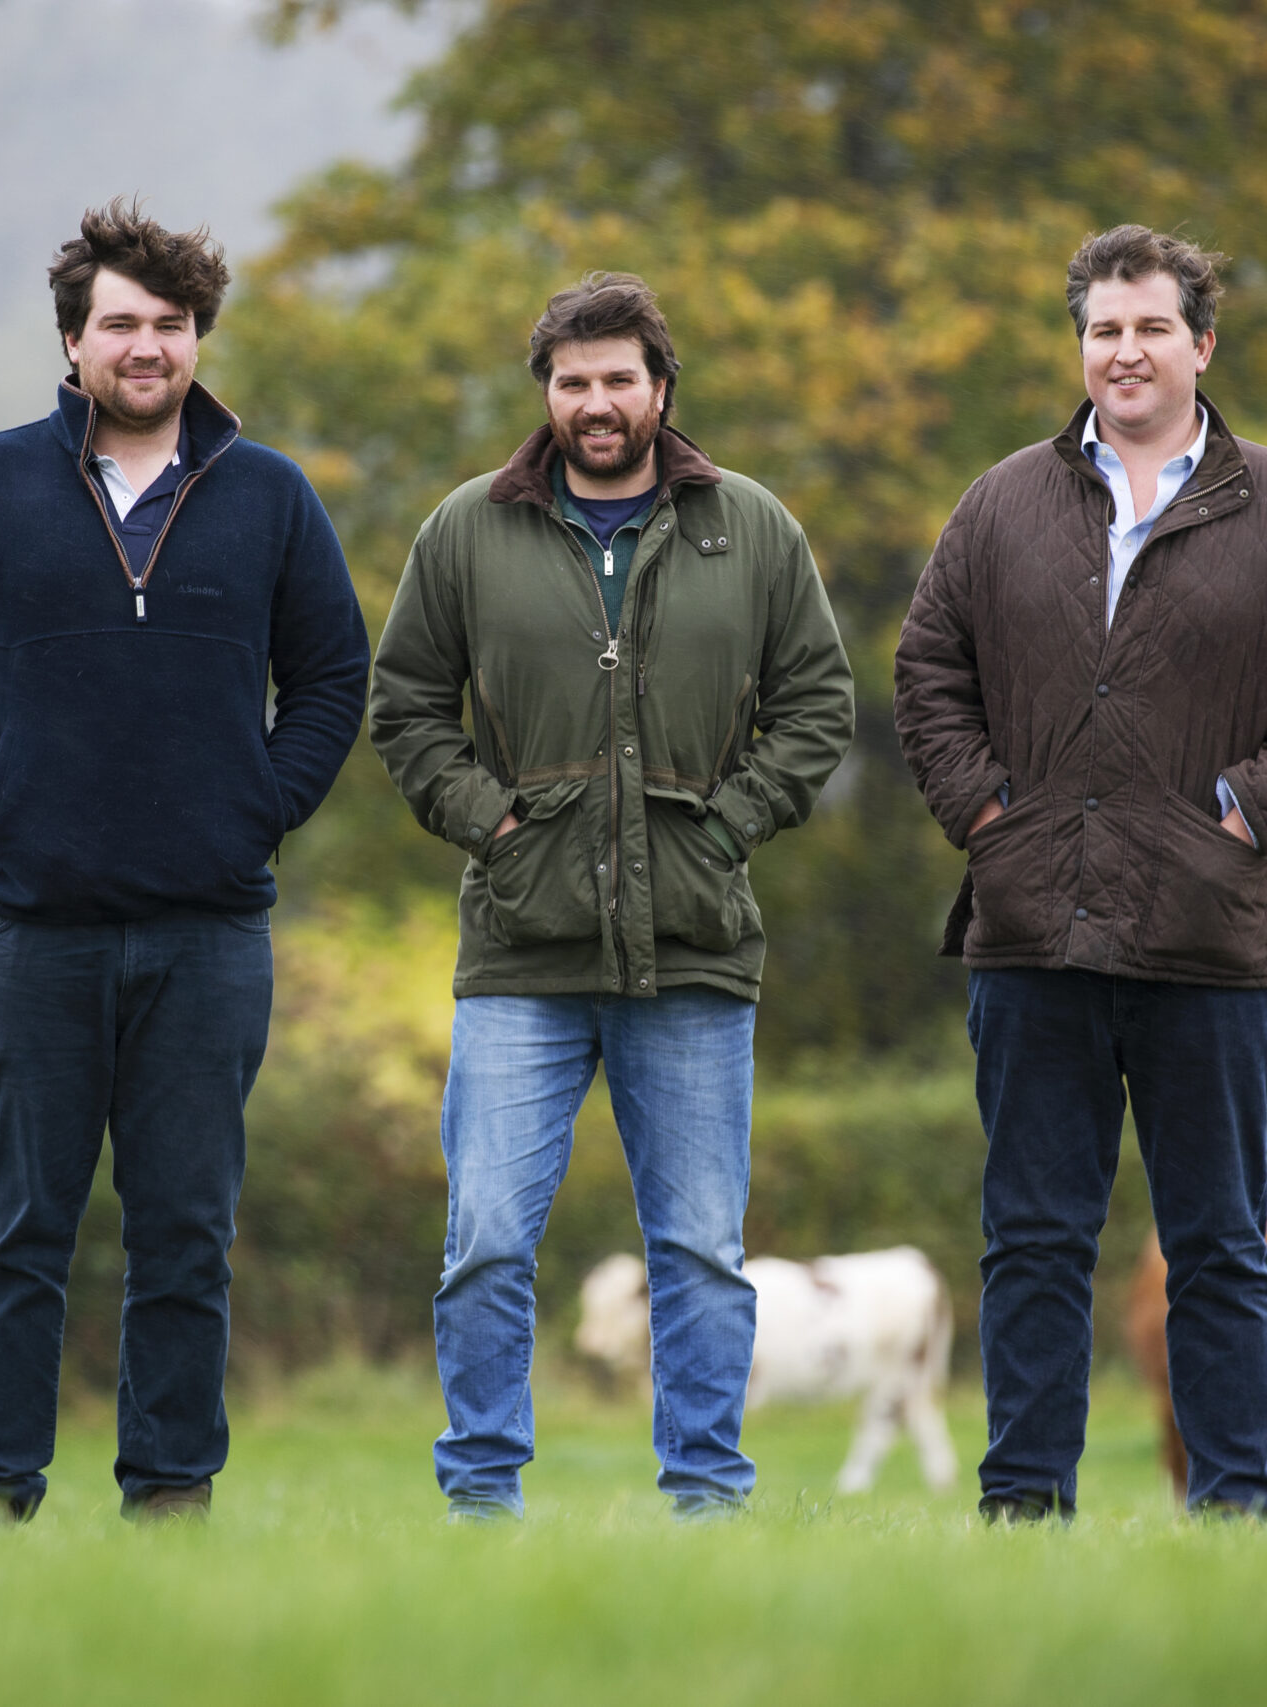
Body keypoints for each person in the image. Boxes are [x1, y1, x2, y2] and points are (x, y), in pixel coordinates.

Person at [0, 199, 369, 1526]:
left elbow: (332, 675)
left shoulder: (267, 496)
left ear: (199, 337)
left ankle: (169, 1494)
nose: (145, 346)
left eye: (169, 324)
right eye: (119, 324)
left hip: (210, 932)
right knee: (20, 1231)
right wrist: (0, 799)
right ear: (71, 340)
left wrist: (256, 807)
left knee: (186, 1234)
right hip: (30, 925)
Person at [892, 225, 1267, 1520]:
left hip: (1214, 942)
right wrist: (987, 813)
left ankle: (1233, 1507)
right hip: (1030, 933)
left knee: (1221, 1246)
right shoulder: (1001, 501)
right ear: (1082, 346)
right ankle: (1022, 1509)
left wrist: (1243, 809)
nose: (1125, 350)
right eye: (1104, 329)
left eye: (1151, 327)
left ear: (1201, 343)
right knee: (1035, 1243)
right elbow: (927, 670)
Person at [369, 272, 854, 1519]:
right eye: (572, 381)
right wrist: (491, 824)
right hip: (521, 955)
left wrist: (729, 828)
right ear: (547, 392)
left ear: (659, 388)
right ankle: (480, 1503)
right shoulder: (465, 531)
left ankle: (708, 1504)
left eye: (617, 380)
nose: (595, 402)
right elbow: (407, 710)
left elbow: (816, 708)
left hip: (693, 952)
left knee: (697, 1255)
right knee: (483, 1244)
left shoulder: (750, 527)